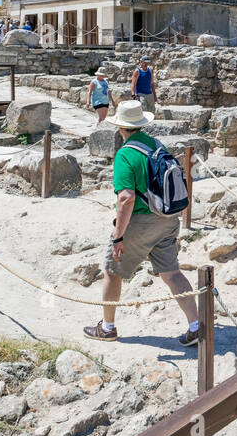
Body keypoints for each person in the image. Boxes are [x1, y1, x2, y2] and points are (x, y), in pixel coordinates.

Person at [83, 100, 200, 345]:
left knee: (113, 271)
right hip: (167, 218)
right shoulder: (155, 144)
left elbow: (126, 198)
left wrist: (118, 236)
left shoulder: (126, 153)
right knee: (172, 273)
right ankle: (196, 325)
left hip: (141, 222)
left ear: (120, 128)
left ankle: (107, 327)